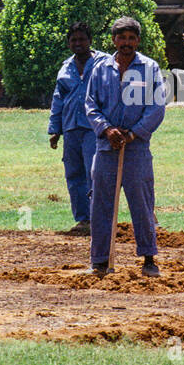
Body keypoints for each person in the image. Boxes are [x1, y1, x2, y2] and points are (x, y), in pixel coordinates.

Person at [84, 16, 168, 277]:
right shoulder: (100, 69)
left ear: (138, 41)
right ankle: (100, 260)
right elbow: (90, 105)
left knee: (142, 204)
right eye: (122, 38)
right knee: (101, 205)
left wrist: (133, 134)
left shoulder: (150, 68)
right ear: (114, 40)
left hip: (137, 150)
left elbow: (157, 108)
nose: (127, 43)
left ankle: (148, 258)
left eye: (132, 38)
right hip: (106, 149)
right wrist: (107, 130)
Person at [49, 22, 108, 235]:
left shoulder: (104, 63)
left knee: (94, 173)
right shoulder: (66, 67)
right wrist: (55, 129)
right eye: (73, 40)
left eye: (82, 39)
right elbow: (58, 99)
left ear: (90, 40)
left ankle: (97, 219)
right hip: (71, 127)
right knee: (73, 174)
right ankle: (82, 220)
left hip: (96, 128)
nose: (78, 43)